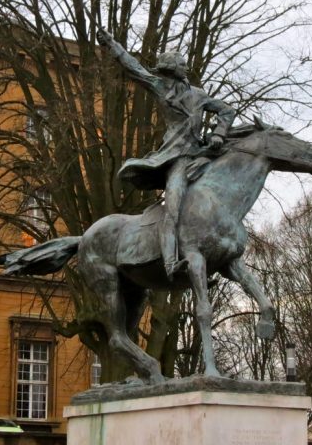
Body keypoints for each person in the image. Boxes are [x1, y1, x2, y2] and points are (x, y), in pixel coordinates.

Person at [98, 29, 235, 279]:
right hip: (177, 159)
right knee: (173, 208)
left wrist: (218, 134)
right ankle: (171, 263)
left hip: (202, 156)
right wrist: (112, 45)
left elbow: (227, 111)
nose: (186, 67)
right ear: (172, 69)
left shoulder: (198, 95)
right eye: (182, 64)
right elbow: (134, 69)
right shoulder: (161, 87)